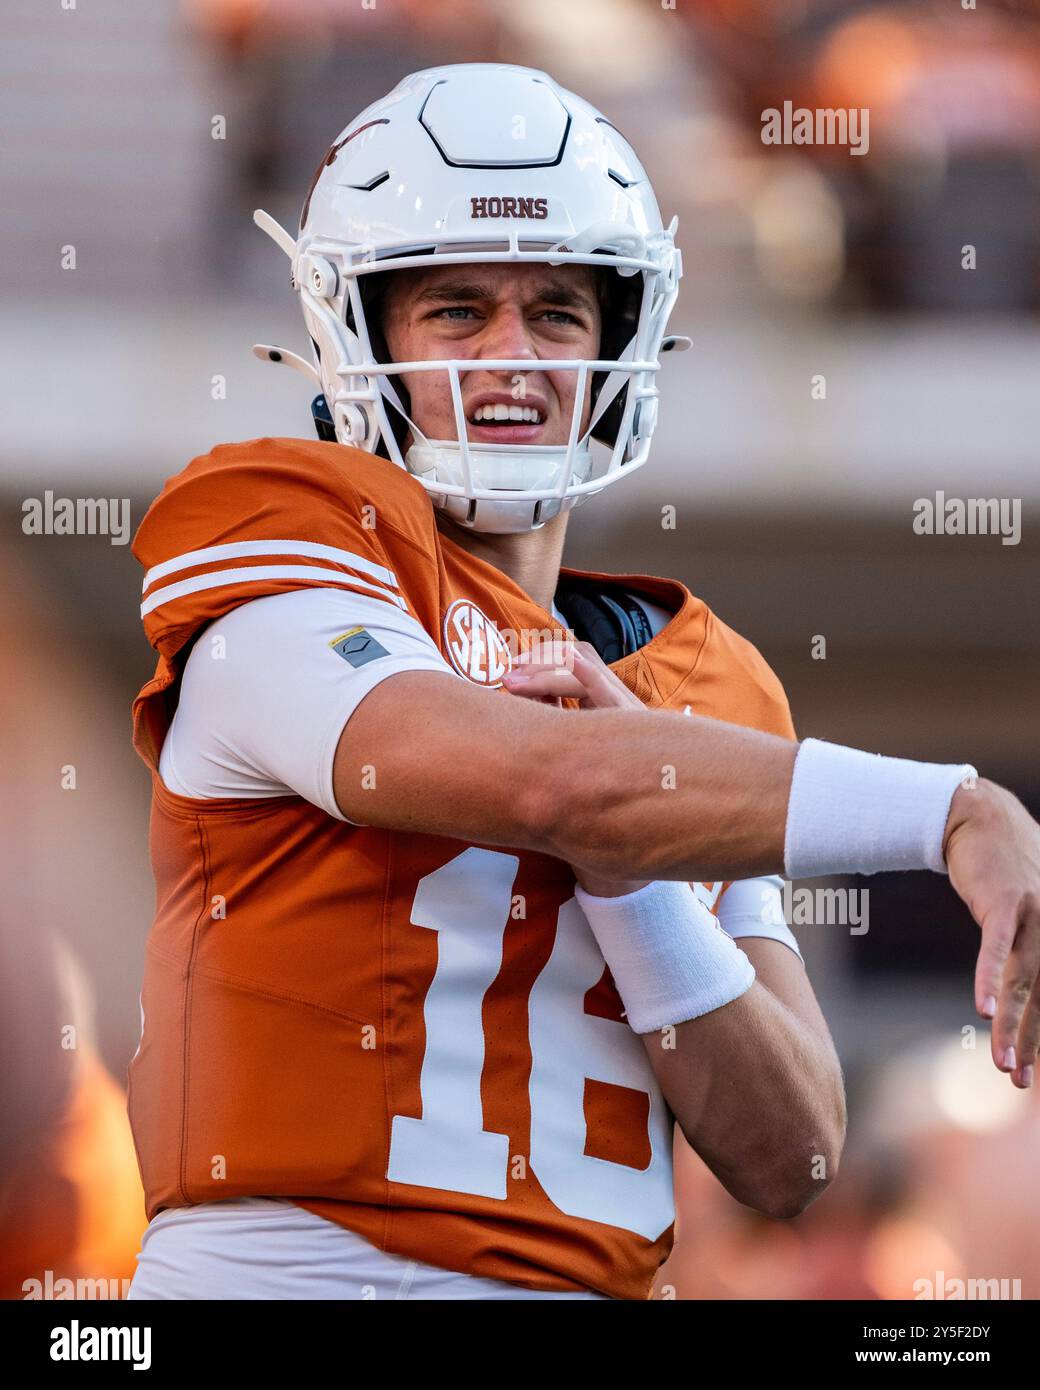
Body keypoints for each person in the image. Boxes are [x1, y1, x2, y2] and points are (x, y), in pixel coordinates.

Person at [126, 63, 1040, 1301]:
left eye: (556, 311)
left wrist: (637, 887)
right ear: (358, 330)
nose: (514, 355)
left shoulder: (704, 680)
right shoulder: (286, 535)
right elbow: (554, 782)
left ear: (615, 341)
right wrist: (947, 810)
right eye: (455, 309)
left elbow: (795, 1154)